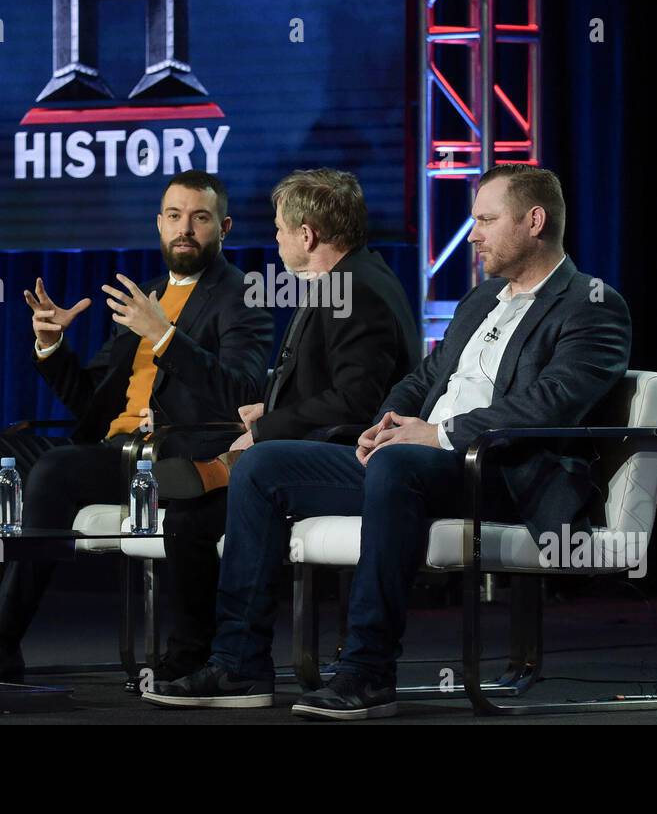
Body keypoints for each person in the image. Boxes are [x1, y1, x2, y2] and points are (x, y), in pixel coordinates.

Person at [144, 164, 632, 720]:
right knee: (262, 466)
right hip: (417, 461)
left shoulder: (590, 305)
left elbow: (553, 401)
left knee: (397, 466)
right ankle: (238, 664)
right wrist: (387, 421)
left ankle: (368, 670)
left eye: (486, 220)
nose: (471, 234)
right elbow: (425, 378)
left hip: (499, 470)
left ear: (535, 221)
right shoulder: (482, 300)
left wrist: (438, 432)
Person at [0, 170, 272, 686]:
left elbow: (242, 392)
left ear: (222, 227)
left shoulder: (239, 295)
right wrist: (50, 345)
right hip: (103, 449)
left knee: (55, 470)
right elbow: (89, 404)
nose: (186, 229)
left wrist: (165, 335)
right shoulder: (149, 294)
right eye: (175, 217)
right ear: (158, 225)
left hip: (164, 458)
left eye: (200, 218)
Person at [147, 169, 419, 684]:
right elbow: (331, 381)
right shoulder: (343, 282)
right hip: (329, 446)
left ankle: (237, 661)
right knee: (195, 509)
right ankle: (219, 655)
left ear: (307, 234)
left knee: (258, 469)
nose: (274, 239)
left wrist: (270, 428)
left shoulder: (356, 290)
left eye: (278, 230)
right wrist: (266, 408)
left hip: (361, 459)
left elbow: (358, 399)